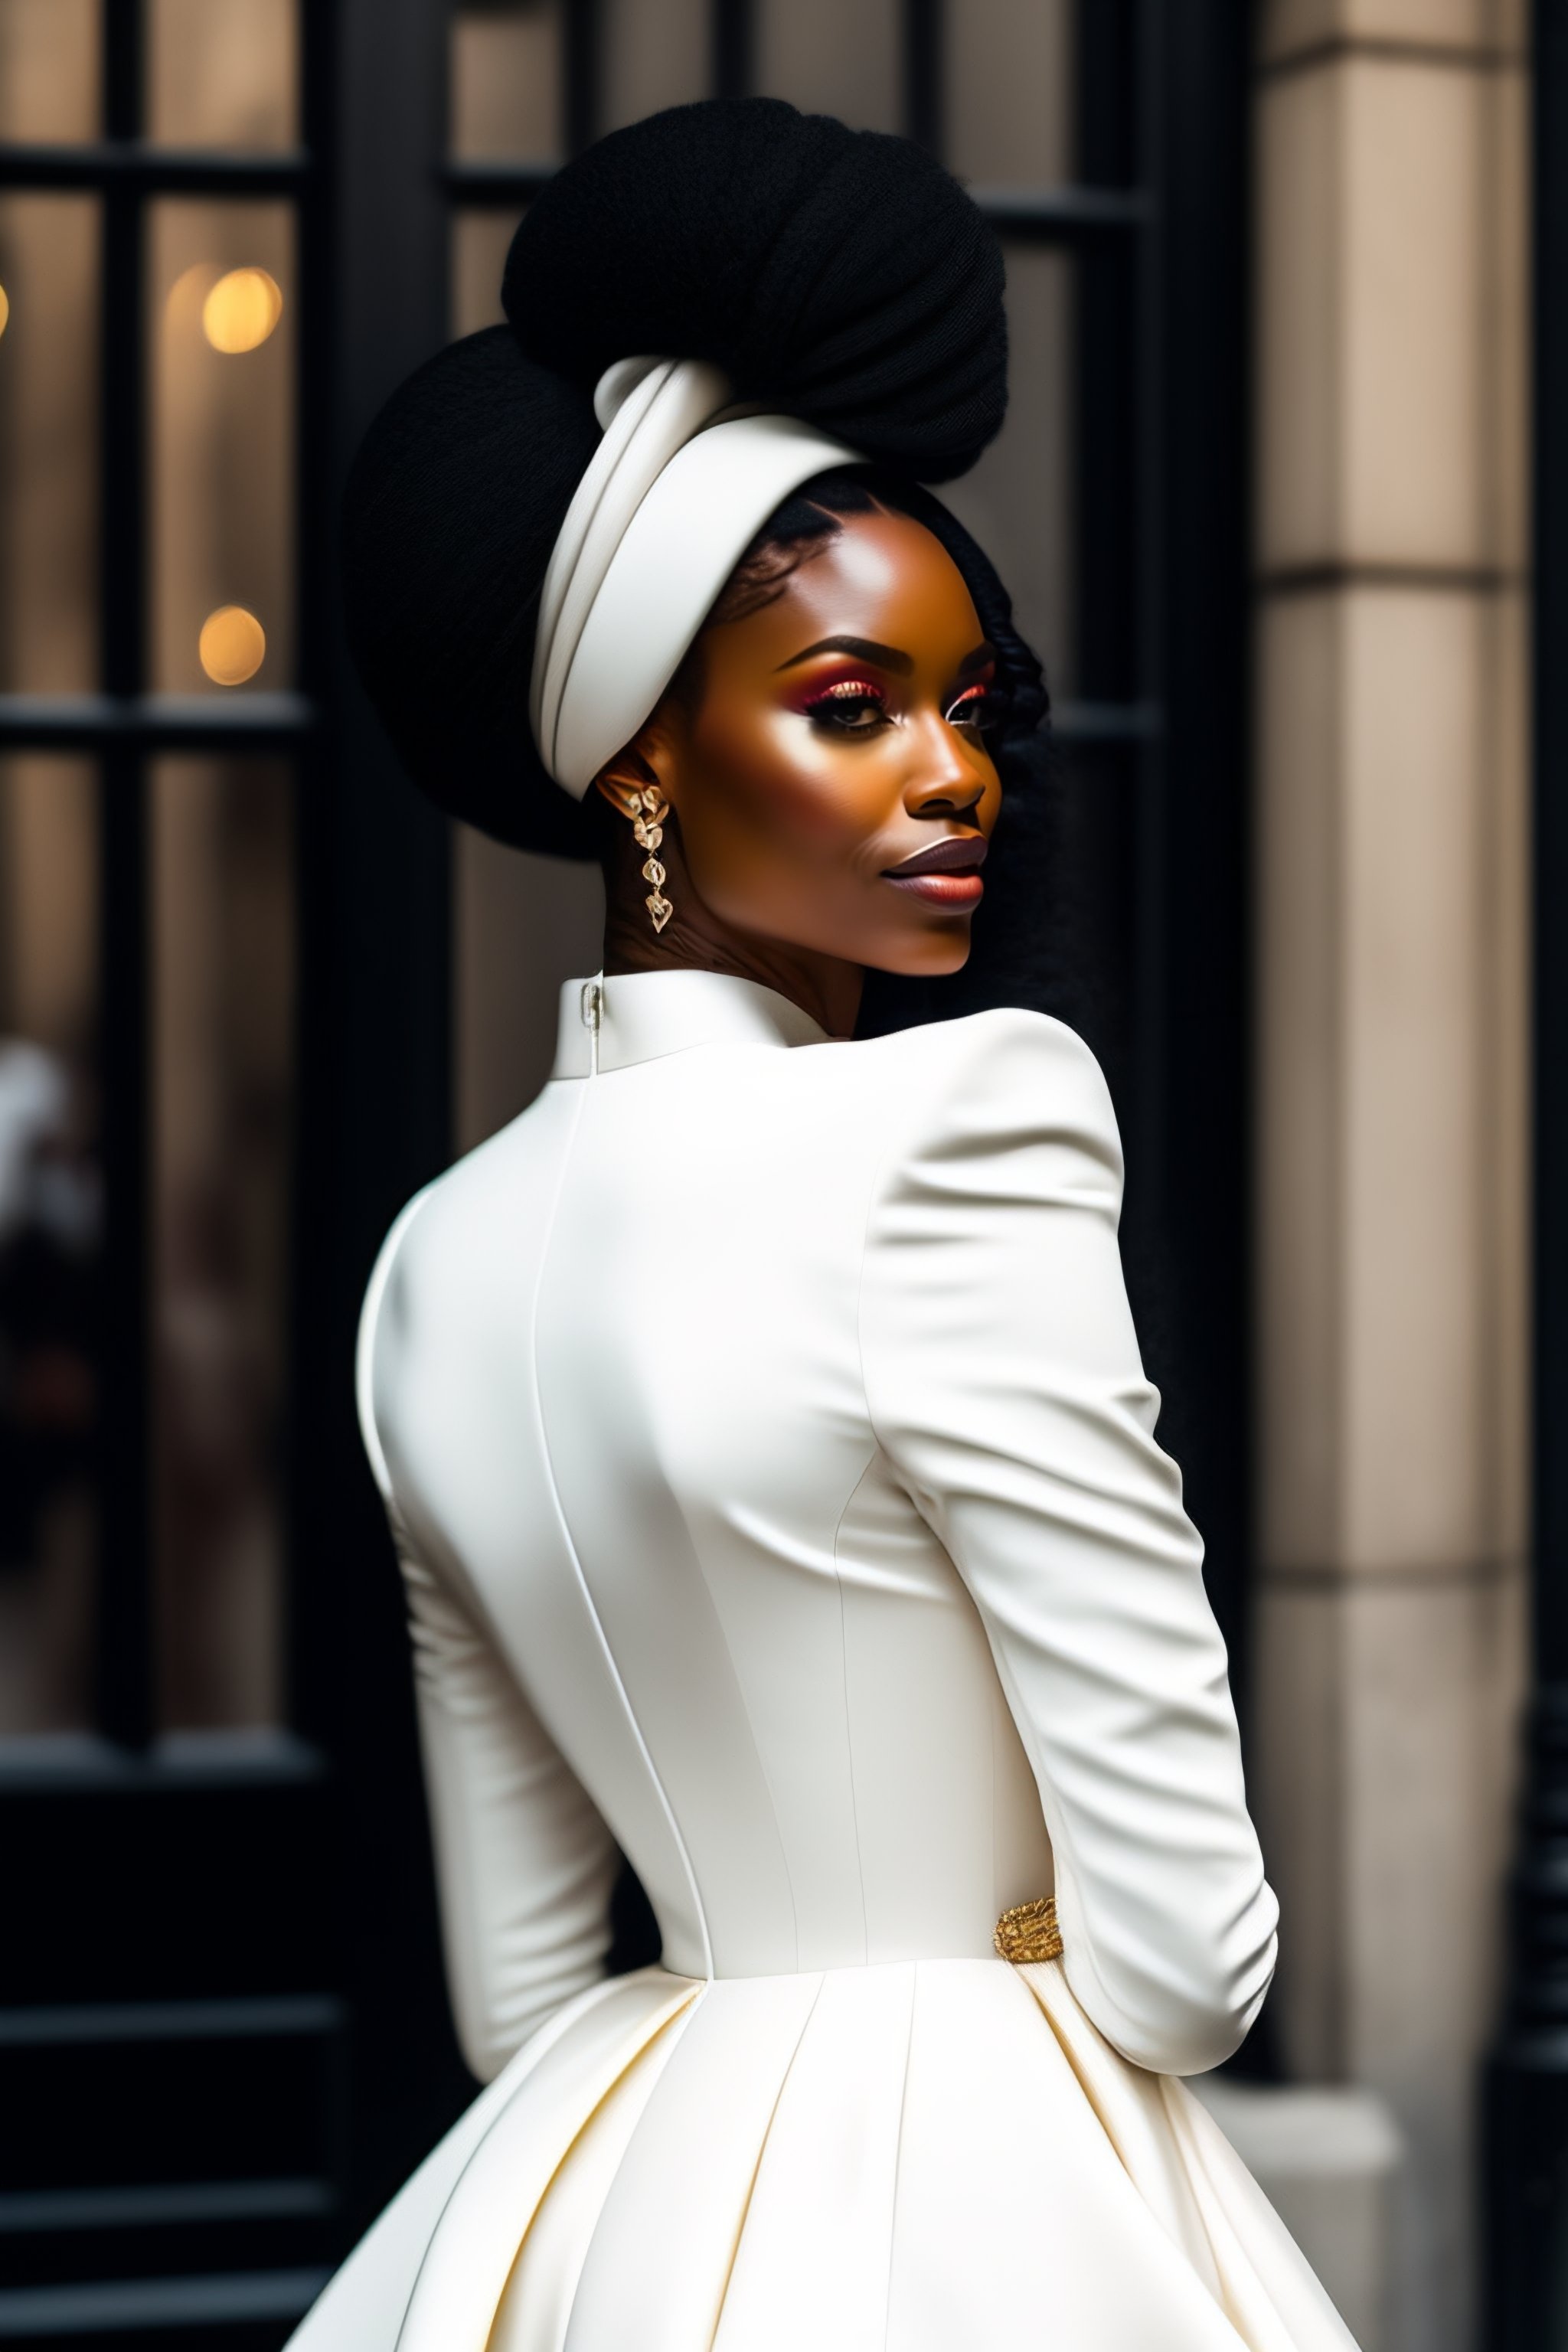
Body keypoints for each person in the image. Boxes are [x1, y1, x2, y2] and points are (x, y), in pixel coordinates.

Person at [292, 97, 1358, 2352]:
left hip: (591, 2200)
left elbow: (512, 1985)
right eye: (852, 708)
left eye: (966, 710)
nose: (956, 775)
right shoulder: (967, 1129)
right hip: (999, 2203)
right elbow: (1192, 1960)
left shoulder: (429, 1271)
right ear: (641, 760)